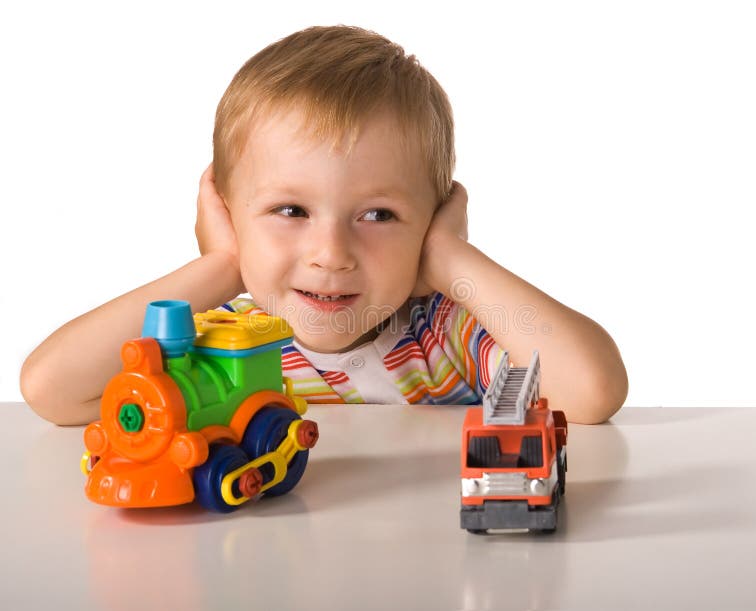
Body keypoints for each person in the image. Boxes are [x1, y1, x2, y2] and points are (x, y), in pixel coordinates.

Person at [20, 25, 628, 426]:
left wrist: (452, 263)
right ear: (228, 216)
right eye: (290, 211)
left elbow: (590, 391)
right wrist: (220, 269)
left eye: (379, 215)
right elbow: (53, 390)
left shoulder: (449, 338)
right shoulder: (212, 344)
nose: (332, 253)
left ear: (431, 223)